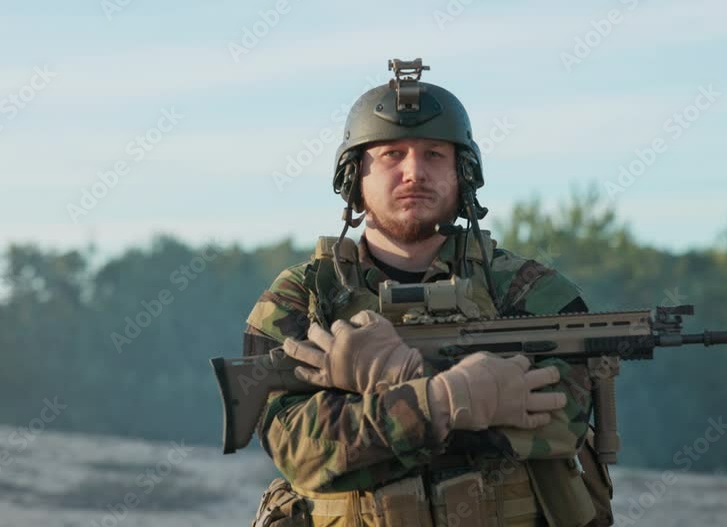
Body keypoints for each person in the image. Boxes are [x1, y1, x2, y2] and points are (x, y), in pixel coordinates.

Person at [244, 59, 614, 527]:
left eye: (435, 154)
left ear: (463, 174)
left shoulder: (532, 293)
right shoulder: (301, 298)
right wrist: (441, 398)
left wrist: (387, 396)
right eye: (392, 154)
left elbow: (559, 426)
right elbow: (303, 452)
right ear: (355, 176)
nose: (414, 172)